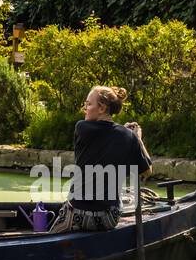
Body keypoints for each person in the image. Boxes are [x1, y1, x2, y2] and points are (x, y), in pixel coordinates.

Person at [50, 85, 152, 233]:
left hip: (78, 213)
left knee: (51, 234)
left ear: (102, 108)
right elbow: (147, 172)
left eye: (88, 104)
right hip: (108, 219)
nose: (85, 108)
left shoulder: (81, 128)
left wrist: (128, 137)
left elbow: (104, 138)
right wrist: (137, 139)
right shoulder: (128, 137)